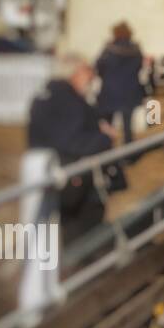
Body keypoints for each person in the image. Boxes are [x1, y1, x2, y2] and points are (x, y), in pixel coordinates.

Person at [27, 53, 117, 250]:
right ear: (75, 73)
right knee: (85, 228)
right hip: (74, 178)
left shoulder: (46, 95)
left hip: (56, 173)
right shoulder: (68, 100)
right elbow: (73, 141)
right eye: (87, 71)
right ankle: (88, 271)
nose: (92, 77)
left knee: (70, 228)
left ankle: (81, 267)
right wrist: (105, 138)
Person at [95, 22, 147, 144]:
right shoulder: (136, 49)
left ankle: (106, 151)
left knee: (107, 125)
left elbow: (99, 67)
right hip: (130, 92)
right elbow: (139, 68)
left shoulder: (108, 49)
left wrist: (107, 78)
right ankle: (128, 153)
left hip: (110, 92)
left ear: (115, 33)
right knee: (127, 127)